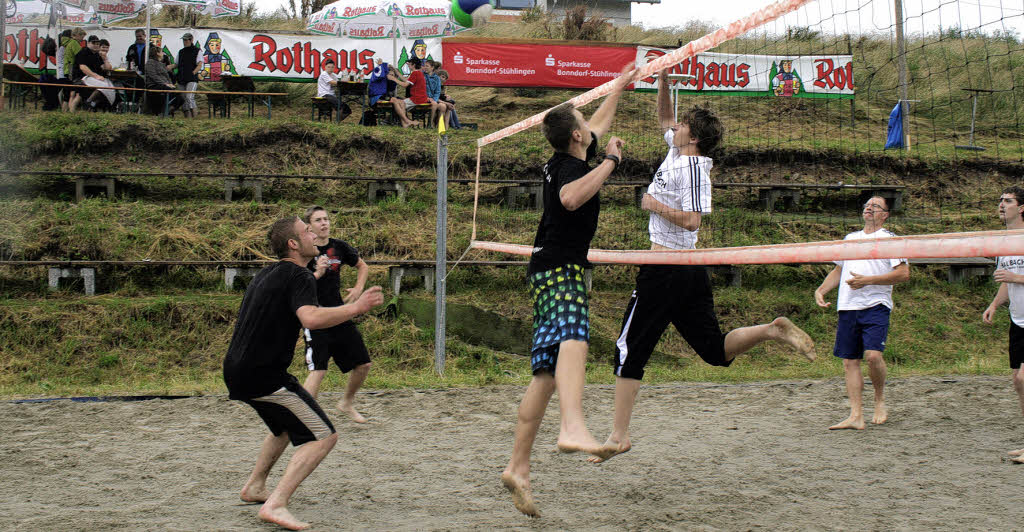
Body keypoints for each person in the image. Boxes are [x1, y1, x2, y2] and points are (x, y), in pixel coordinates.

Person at [591, 70, 817, 464]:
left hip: (667, 267)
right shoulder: (677, 151)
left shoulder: (694, 168)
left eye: (682, 126)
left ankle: (618, 436)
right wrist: (661, 79)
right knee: (714, 351)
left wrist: (653, 204)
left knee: (628, 350)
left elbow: (694, 220)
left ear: (692, 136)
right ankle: (771, 329)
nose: (673, 127)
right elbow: (664, 119)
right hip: (685, 271)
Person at [500, 62, 637, 518]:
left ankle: (517, 467)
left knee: (545, 372)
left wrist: (618, 86)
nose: (589, 128)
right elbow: (571, 198)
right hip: (560, 270)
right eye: (582, 125)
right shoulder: (565, 170)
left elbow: (598, 123)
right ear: (575, 138)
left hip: (548, 269)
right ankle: (572, 427)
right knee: (575, 338)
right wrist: (612, 162)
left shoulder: (573, 153)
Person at [223, 216, 384, 531]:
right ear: (293, 244)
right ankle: (276, 503)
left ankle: (255, 486)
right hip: (263, 375)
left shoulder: (270, 273)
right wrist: (357, 308)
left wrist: (316, 275)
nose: (314, 232)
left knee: (283, 428)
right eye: (307, 230)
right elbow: (310, 318)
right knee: (324, 436)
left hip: (237, 369)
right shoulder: (298, 276)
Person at [815, 195, 909, 430]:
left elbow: (903, 274)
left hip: (876, 304)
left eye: (875, 206)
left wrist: (869, 281)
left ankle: (879, 400)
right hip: (848, 306)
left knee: (873, 356)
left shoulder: (890, 239)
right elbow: (839, 269)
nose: (869, 208)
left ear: (885, 215)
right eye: (867, 205)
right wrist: (821, 290)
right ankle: (856, 414)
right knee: (850, 361)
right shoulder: (851, 238)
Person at [300, 206, 372, 422]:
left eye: (326, 219)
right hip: (315, 316)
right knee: (318, 370)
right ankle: (303, 416)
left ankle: (346, 403)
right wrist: (318, 273)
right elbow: (298, 284)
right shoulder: (305, 251)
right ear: (309, 226)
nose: (324, 223)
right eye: (318, 220)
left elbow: (363, 266)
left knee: (363, 364)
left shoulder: (339, 247)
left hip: (339, 313)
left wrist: (359, 288)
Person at [982, 186, 1024, 462]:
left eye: (1008, 201)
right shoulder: (1004, 242)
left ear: (1021, 208)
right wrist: (995, 304)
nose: (1001, 204)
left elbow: (1014, 277)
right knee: (1018, 382)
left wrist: (1015, 278)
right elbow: (1007, 281)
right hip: (1018, 320)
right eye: (1000, 200)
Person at [387, 57, 429, 128]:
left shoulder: (415, 73)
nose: (408, 65)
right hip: (421, 98)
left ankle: (406, 121)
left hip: (416, 99)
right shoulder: (418, 73)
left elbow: (405, 85)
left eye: (409, 64)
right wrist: (395, 70)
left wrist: (393, 79)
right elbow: (405, 79)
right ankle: (405, 124)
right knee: (400, 102)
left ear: (413, 65)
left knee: (394, 100)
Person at [69, 36, 107, 112]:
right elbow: (83, 67)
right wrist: (96, 76)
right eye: (94, 43)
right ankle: (72, 113)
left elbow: (104, 68)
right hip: (79, 78)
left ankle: (89, 104)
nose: (96, 45)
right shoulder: (83, 52)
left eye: (98, 43)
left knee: (104, 89)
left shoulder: (97, 55)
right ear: (88, 43)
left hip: (91, 79)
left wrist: (105, 59)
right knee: (78, 94)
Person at [146, 46, 180, 116]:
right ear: (157, 53)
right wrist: (165, 84)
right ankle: (162, 112)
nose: (163, 54)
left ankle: (167, 111)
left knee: (180, 97)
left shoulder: (162, 64)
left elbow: (167, 77)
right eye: (161, 52)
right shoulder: (150, 62)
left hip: (165, 85)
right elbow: (153, 76)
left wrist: (170, 84)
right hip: (154, 85)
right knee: (168, 91)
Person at [176, 33, 202, 119]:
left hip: (191, 78)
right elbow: (176, 64)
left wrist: (193, 73)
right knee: (183, 99)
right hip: (181, 77)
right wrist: (168, 67)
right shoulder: (181, 51)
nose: (184, 42)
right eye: (183, 40)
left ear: (191, 40)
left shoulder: (197, 51)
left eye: (186, 40)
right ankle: (188, 119)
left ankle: (195, 118)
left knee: (189, 97)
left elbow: (199, 64)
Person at [423, 60, 450, 127]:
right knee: (434, 104)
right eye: (424, 66)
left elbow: (438, 91)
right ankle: (430, 123)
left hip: (433, 99)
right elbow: (421, 89)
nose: (425, 67)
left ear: (432, 68)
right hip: (425, 98)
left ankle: (439, 125)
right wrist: (427, 97)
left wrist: (434, 99)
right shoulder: (422, 76)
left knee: (443, 106)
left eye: (427, 66)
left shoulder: (437, 78)